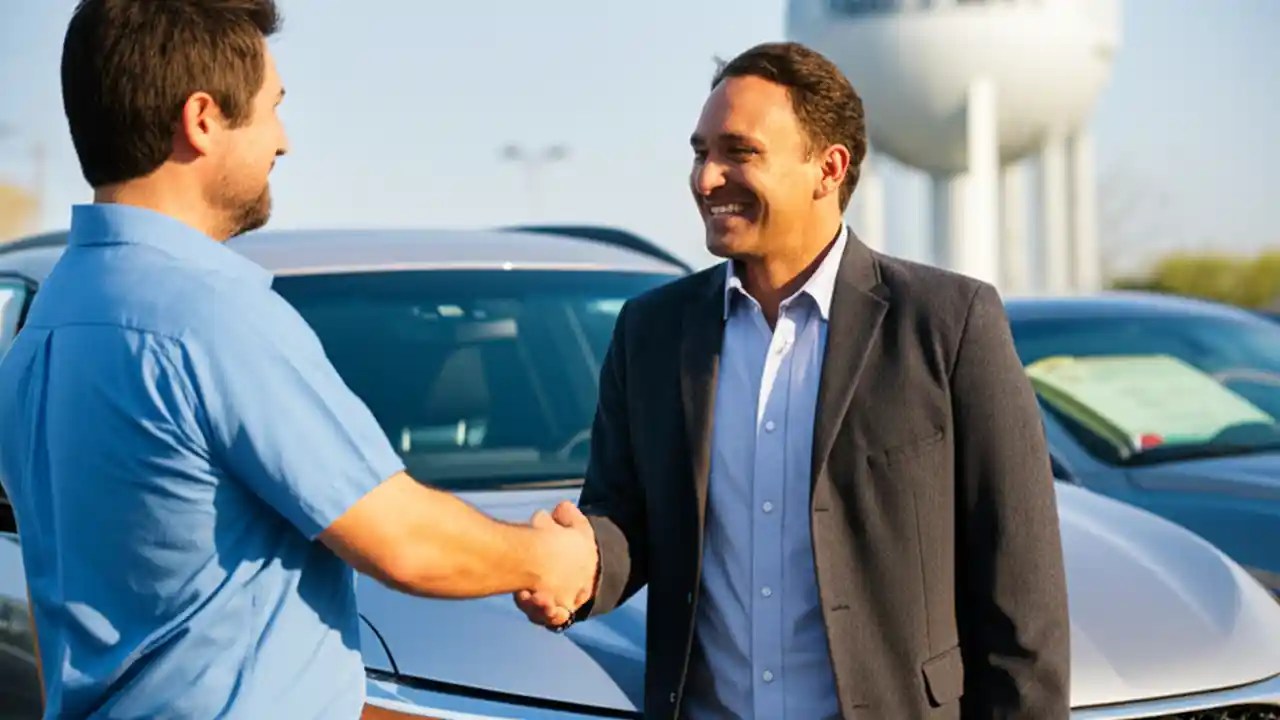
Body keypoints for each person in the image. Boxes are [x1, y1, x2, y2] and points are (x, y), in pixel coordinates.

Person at [0, 2, 595, 718]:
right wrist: (549, 560)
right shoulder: (207, 315)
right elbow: (402, 541)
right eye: (272, 108)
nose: (282, 141)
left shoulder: (48, 320)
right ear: (202, 119)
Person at [517, 42, 1071, 719]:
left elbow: (1022, 595)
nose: (706, 179)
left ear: (827, 168)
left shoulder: (950, 324)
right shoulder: (652, 333)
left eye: (738, 152)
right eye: (699, 152)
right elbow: (625, 518)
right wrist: (581, 566)